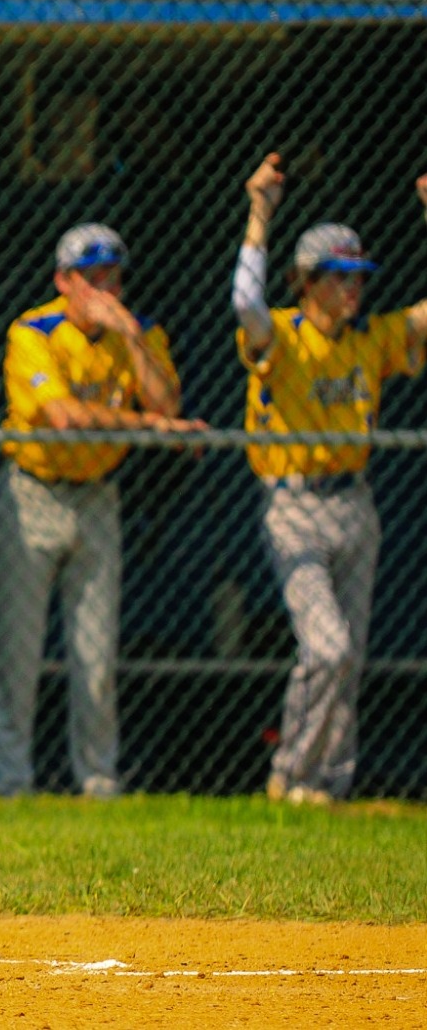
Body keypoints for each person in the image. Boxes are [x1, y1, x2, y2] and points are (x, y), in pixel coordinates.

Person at [230, 153, 427, 804]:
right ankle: (289, 772)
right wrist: (260, 213)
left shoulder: (368, 336)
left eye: (357, 275)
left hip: (353, 501)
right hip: (292, 503)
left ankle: (327, 785)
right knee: (327, 647)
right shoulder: (282, 334)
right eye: (337, 276)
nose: (352, 287)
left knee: (351, 656)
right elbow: (243, 300)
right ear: (306, 281)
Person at [0, 222, 203, 799]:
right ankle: (9, 783)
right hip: (34, 492)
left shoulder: (140, 332)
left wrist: (129, 335)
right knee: (19, 652)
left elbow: (167, 403)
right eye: (90, 276)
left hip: (99, 494)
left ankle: (98, 781)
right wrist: (149, 427)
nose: (104, 286)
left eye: (113, 275)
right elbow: (63, 416)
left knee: (97, 654)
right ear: (63, 280)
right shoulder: (34, 330)